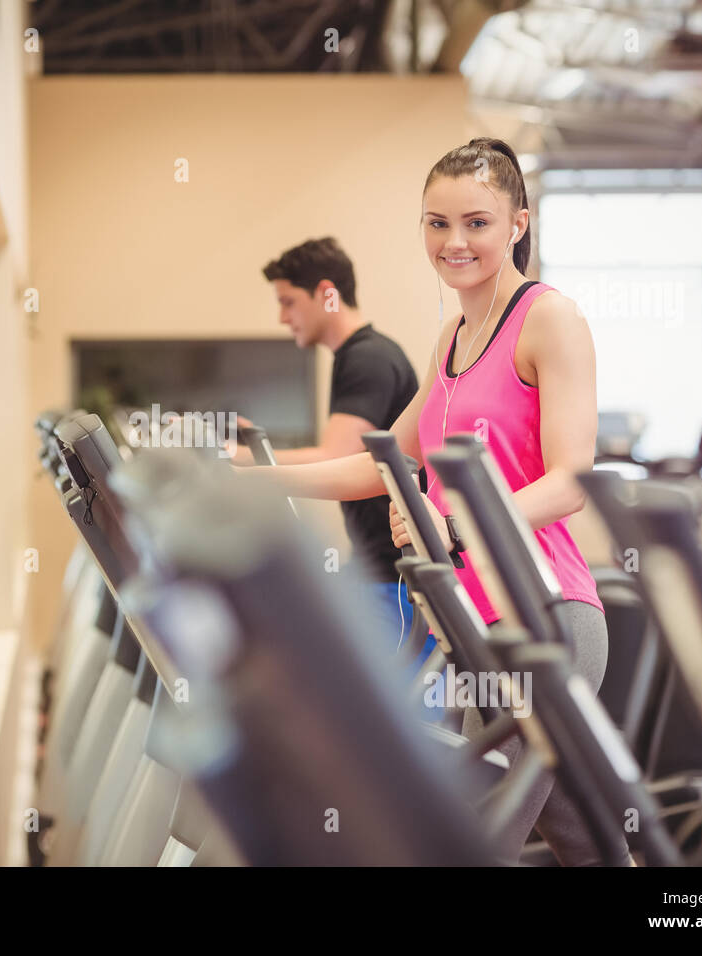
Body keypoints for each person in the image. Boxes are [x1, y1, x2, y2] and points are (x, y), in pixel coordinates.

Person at [238, 139, 630, 867]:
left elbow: (572, 478)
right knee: (582, 838)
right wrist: (255, 481)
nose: (455, 242)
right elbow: (384, 459)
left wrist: (458, 523)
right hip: (468, 622)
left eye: (477, 222)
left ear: (517, 223)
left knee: (464, 840)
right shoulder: (453, 336)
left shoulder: (550, 318)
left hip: (546, 620)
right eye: (436, 223)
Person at [229, 237, 423, 653]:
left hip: (396, 581)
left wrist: (243, 463)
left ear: (326, 294)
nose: (283, 318)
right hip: (374, 569)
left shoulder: (367, 358)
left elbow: (336, 458)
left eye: (289, 302)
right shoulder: (356, 356)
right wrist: (257, 450)